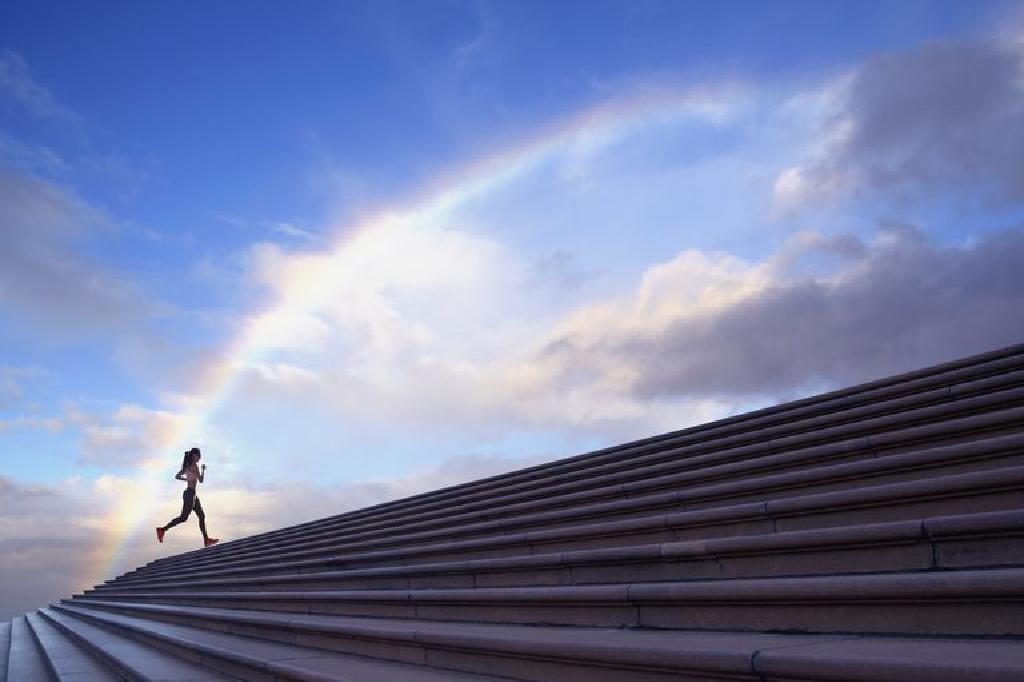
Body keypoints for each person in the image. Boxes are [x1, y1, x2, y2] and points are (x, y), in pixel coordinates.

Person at [156, 447, 219, 547]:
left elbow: (195, 479)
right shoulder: (191, 465)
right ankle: (162, 529)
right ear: (194, 456)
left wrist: (200, 471)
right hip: (189, 494)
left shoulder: (191, 466)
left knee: (201, 515)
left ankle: (206, 539)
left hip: (193, 495)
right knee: (183, 517)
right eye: (198, 456)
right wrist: (189, 478)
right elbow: (180, 476)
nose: (199, 458)